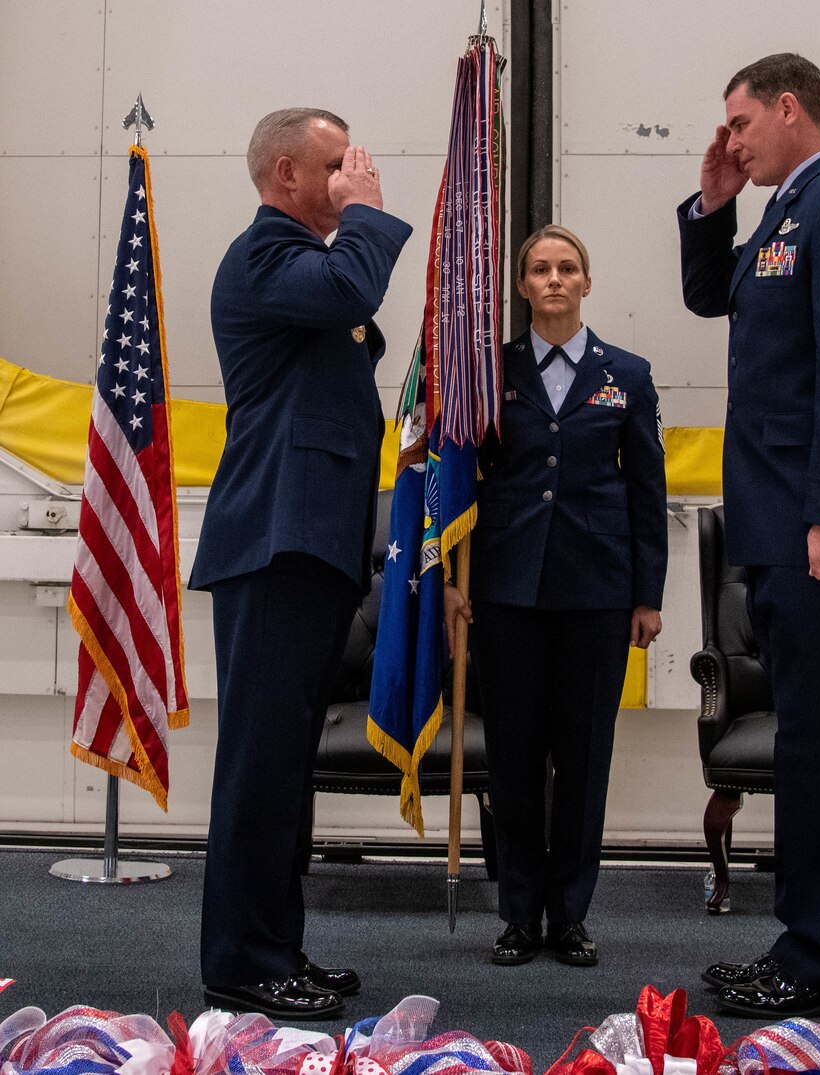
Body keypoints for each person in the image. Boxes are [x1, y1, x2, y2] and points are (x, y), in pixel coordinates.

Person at [676, 53, 820, 1018]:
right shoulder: (787, 209)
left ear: (787, 107)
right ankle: (816, 948)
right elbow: (711, 297)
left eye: (739, 124)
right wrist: (712, 202)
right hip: (781, 522)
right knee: (810, 749)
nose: (732, 139)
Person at [190, 107, 412, 1019]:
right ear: (287, 174)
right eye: (335, 166)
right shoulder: (266, 258)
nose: (353, 175)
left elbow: (350, 322)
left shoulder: (304, 264)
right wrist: (364, 214)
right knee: (260, 763)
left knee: (284, 764)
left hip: (309, 542)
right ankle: (242, 958)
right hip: (275, 541)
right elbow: (349, 295)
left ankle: (275, 945)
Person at [445, 225, 668, 968]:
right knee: (512, 760)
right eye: (539, 268)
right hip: (507, 592)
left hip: (597, 594)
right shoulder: (491, 373)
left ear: (587, 281)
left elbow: (646, 489)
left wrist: (647, 595)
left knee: (582, 760)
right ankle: (517, 914)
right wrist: (455, 580)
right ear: (520, 285)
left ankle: (569, 915)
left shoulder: (625, 375)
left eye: (567, 267)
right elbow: (463, 482)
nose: (554, 279)